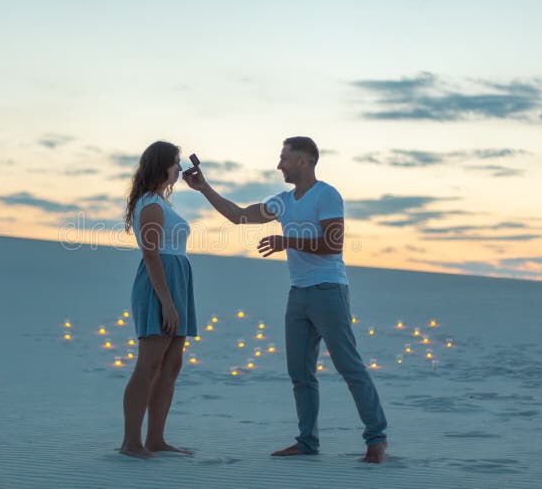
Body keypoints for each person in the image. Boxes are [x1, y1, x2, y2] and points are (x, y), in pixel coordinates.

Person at [182, 136, 388, 463]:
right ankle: (307, 442)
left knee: (349, 366)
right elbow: (239, 216)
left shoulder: (327, 195)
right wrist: (204, 188)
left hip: (329, 290)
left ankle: (376, 438)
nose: (279, 165)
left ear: (303, 162)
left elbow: (333, 244)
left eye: (284, 159)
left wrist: (286, 240)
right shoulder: (283, 201)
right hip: (299, 294)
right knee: (300, 373)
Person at [120, 140, 197, 459]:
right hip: (160, 284)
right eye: (176, 162)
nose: (179, 168)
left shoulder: (162, 203)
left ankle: (156, 439)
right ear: (161, 165)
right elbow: (151, 255)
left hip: (177, 281)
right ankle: (131, 443)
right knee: (149, 363)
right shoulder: (150, 204)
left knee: (171, 364)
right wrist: (166, 302)